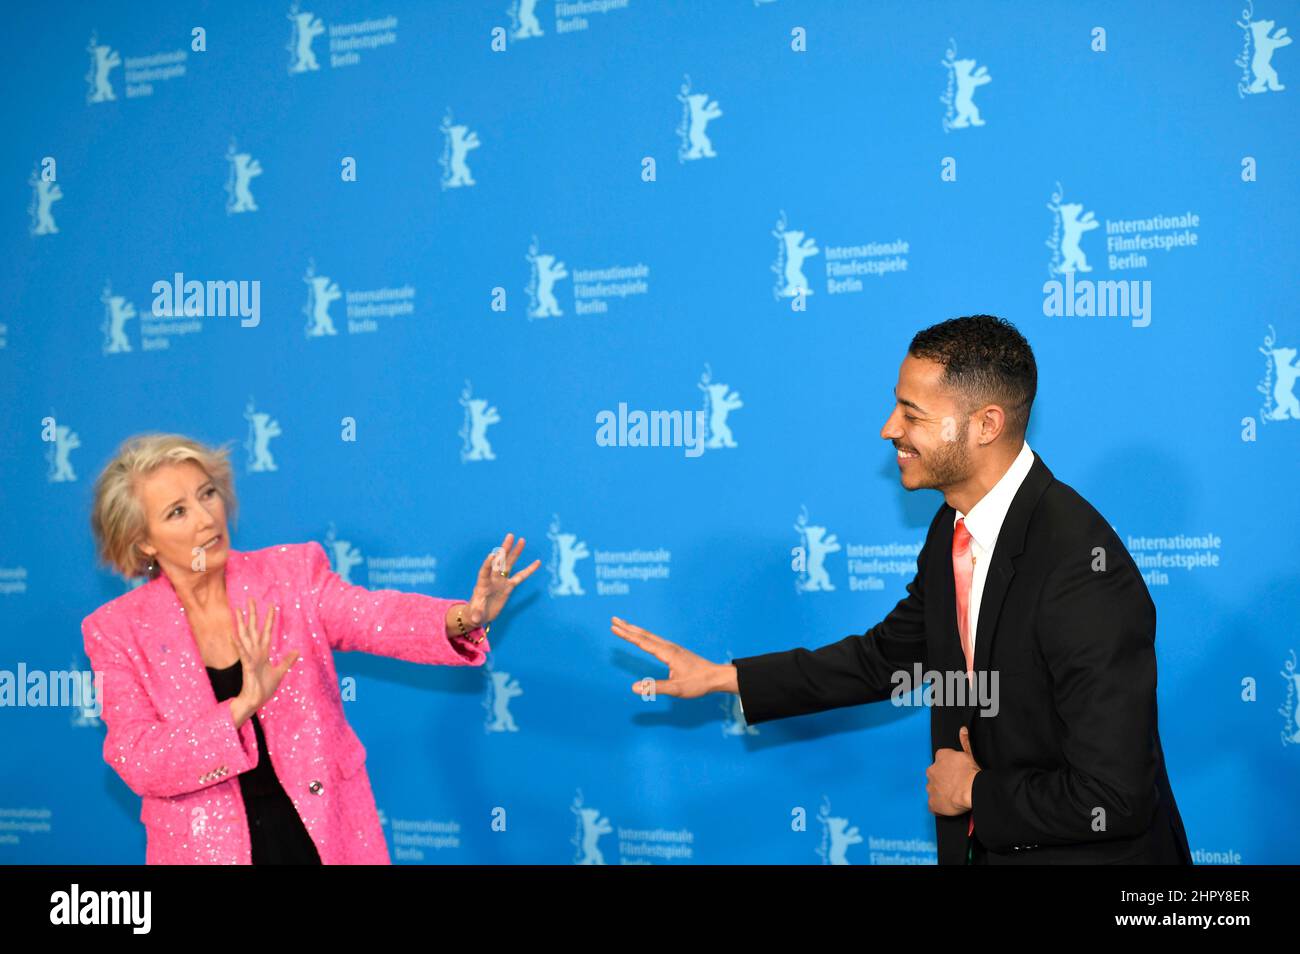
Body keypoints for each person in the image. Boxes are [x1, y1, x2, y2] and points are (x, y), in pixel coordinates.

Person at [612, 314, 1192, 865]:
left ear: (985, 424)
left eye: (911, 414)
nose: (890, 428)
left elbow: (1114, 798)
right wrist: (724, 676)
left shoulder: (1082, 570)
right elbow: (890, 659)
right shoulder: (953, 525)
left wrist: (976, 793)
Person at [81, 432, 540, 864]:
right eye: (177, 512)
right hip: (206, 850)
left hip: (323, 838)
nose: (206, 518)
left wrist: (466, 616)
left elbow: (374, 617)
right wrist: (240, 708)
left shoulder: (290, 576)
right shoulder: (117, 630)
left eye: (207, 494)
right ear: (142, 540)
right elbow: (139, 760)